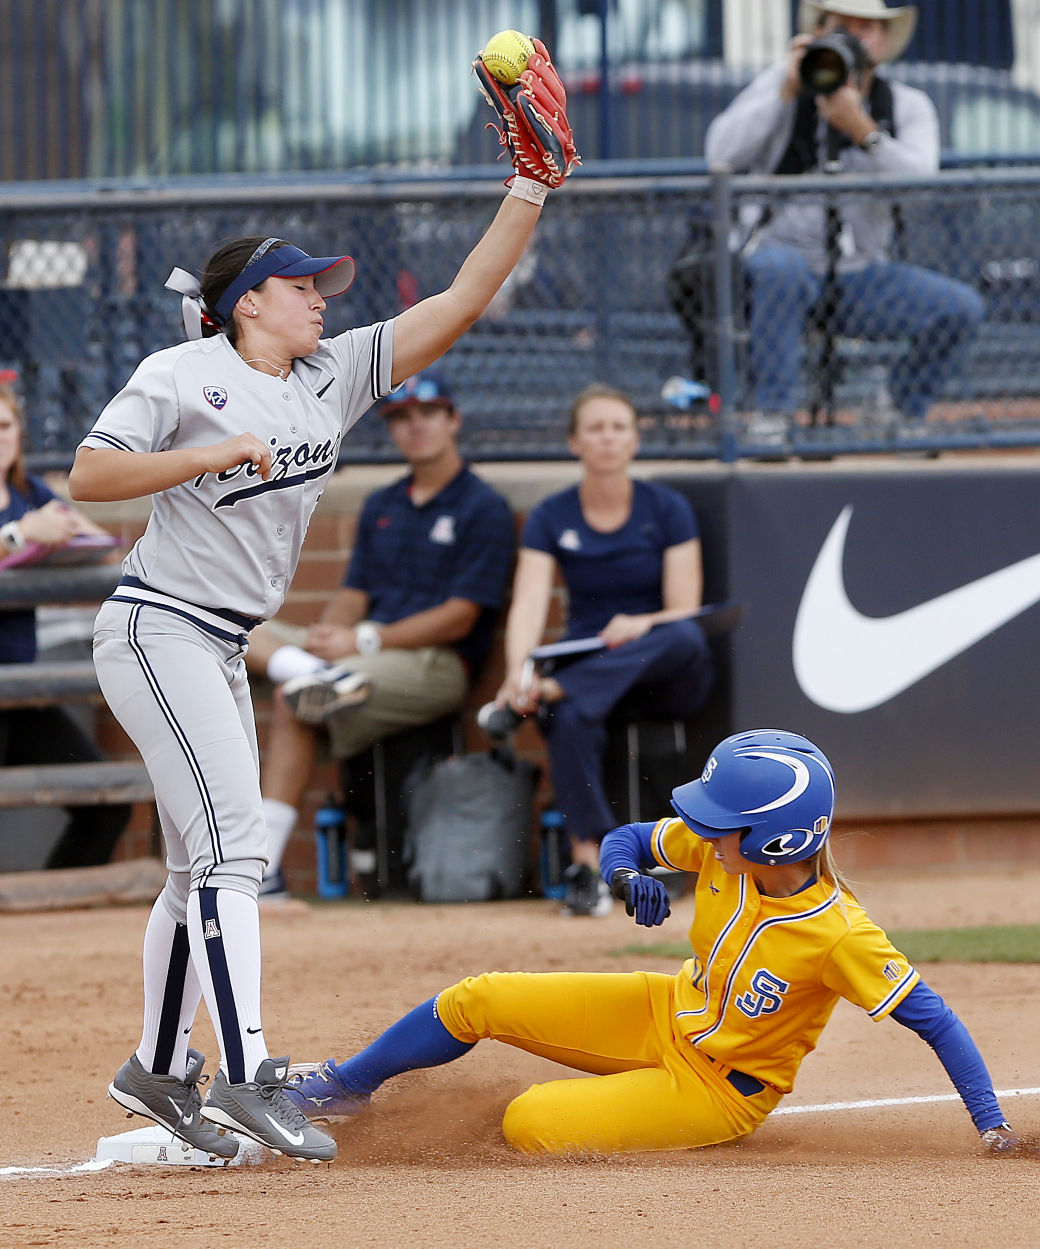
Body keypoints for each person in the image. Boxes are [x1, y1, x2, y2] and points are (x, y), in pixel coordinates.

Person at [67, 37, 576, 1164]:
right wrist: (200, 456)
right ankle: (248, 1074)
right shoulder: (178, 378)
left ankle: (157, 1066)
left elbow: (467, 293)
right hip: (154, 628)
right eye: (302, 287)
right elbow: (88, 481)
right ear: (247, 302)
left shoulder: (327, 374)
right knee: (234, 851)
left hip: (211, 640)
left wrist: (528, 189)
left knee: (201, 863)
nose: (319, 300)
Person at [283, 728, 1022, 1158]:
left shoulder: (839, 935)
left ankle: (617, 1112)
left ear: (780, 837)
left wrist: (992, 1125)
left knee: (530, 1121)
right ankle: (344, 1086)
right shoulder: (722, 851)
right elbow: (629, 836)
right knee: (479, 998)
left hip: (719, 1090)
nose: (704, 830)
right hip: (664, 1010)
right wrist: (622, 870)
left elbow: (934, 1018)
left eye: (722, 820)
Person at [244, 368, 515, 901]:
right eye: (402, 419)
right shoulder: (384, 504)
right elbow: (355, 592)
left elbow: (461, 617)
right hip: (361, 653)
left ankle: (264, 870)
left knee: (300, 701)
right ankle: (309, 669)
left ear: (453, 421)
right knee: (234, 629)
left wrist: (363, 643)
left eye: (429, 415)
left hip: (435, 664)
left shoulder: (483, 506)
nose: (416, 428)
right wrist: (331, 633)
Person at [703, 0, 985, 435]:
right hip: (777, 266)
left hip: (860, 276)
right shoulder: (781, 85)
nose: (854, 38)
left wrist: (864, 130)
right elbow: (719, 154)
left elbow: (922, 187)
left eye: (866, 28)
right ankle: (771, 418)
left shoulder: (906, 105)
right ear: (817, 34)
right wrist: (785, 89)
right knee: (782, 269)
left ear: (885, 40)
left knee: (960, 309)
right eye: (842, 27)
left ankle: (897, 409)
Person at [489, 383, 713, 917]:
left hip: (660, 666)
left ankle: (557, 687)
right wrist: (518, 671)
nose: (608, 439)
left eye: (618, 428)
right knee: (565, 713)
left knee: (683, 637)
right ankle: (590, 867)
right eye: (595, 428)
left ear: (635, 440)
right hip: (590, 663)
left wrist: (642, 623)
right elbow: (527, 606)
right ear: (575, 443)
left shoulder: (668, 509)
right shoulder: (551, 516)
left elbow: (685, 610)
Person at [0, 382, 131, 869]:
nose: (1, 437)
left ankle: (50, 911)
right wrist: (18, 536)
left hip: (20, 692)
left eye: (7, 426)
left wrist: (77, 533)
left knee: (106, 806)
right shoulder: (21, 513)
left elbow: (109, 553)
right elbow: (20, 536)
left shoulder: (27, 492)